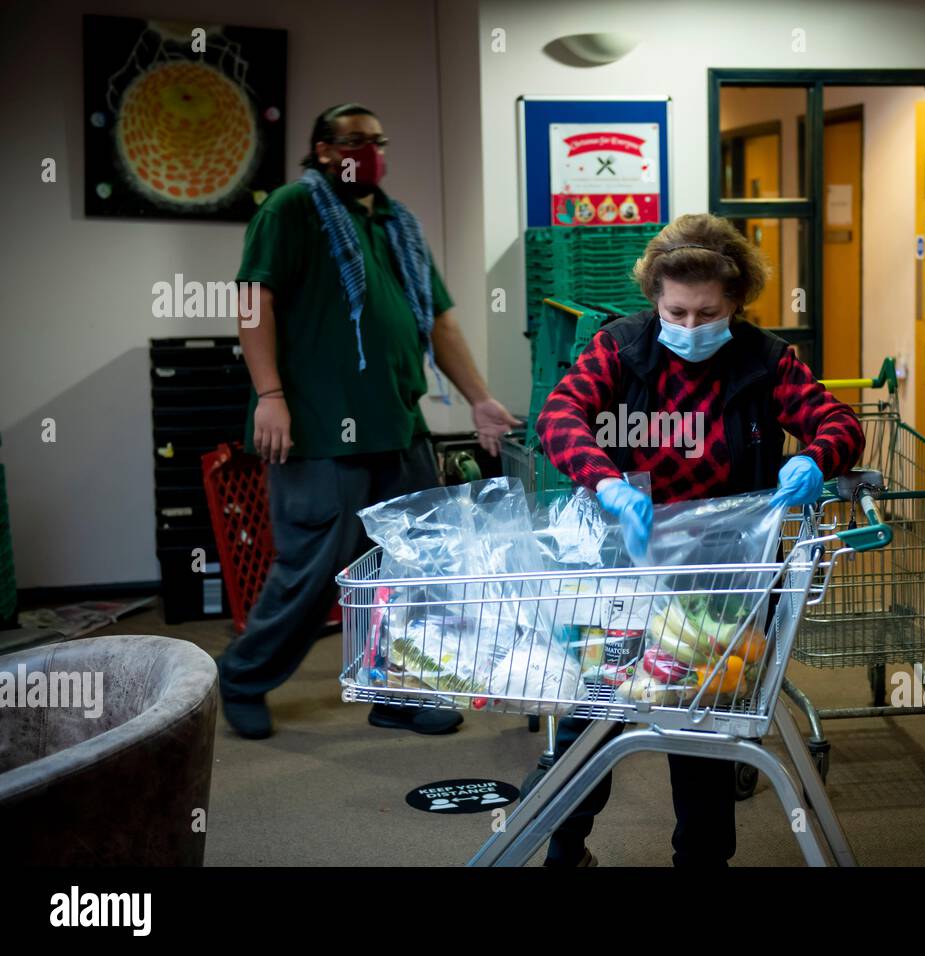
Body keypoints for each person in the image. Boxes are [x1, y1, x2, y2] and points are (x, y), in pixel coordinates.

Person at [534, 212, 866, 866]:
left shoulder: (766, 360)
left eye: (707, 313)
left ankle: (701, 862)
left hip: (724, 573)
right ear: (654, 300)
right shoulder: (622, 347)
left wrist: (816, 458)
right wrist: (608, 484)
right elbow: (559, 416)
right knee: (589, 724)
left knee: (703, 733)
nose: (689, 328)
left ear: (736, 304)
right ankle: (563, 852)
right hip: (627, 560)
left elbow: (840, 424)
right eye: (676, 312)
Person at [218, 103, 521, 740]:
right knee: (313, 569)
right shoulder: (291, 210)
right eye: (356, 141)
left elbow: (439, 322)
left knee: (409, 567)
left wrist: (479, 398)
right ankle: (243, 678)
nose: (370, 152)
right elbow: (254, 299)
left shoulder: (397, 223)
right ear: (324, 149)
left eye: (378, 141)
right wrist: (269, 393)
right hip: (319, 431)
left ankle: (394, 689)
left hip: (397, 425)